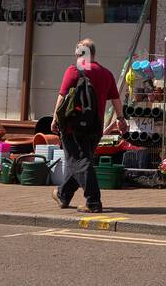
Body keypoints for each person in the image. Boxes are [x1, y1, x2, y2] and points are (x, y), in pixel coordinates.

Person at [50, 38, 126, 214]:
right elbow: (116, 100)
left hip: (73, 126)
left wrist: (55, 119)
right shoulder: (106, 73)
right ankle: (63, 194)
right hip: (95, 127)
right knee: (82, 160)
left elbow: (62, 97)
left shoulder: (73, 71)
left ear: (79, 53)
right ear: (93, 53)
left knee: (79, 161)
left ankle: (93, 202)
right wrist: (121, 119)